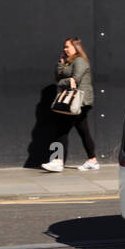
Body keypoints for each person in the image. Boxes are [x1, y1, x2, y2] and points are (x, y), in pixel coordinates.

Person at [43, 37, 98, 171]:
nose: (65, 49)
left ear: (76, 47)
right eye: (64, 47)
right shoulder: (68, 62)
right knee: (83, 131)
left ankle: (57, 160)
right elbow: (59, 76)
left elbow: (75, 80)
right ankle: (92, 160)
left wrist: (61, 83)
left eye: (68, 46)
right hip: (75, 101)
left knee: (62, 130)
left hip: (80, 101)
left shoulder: (79, 60)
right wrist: (61, 64)